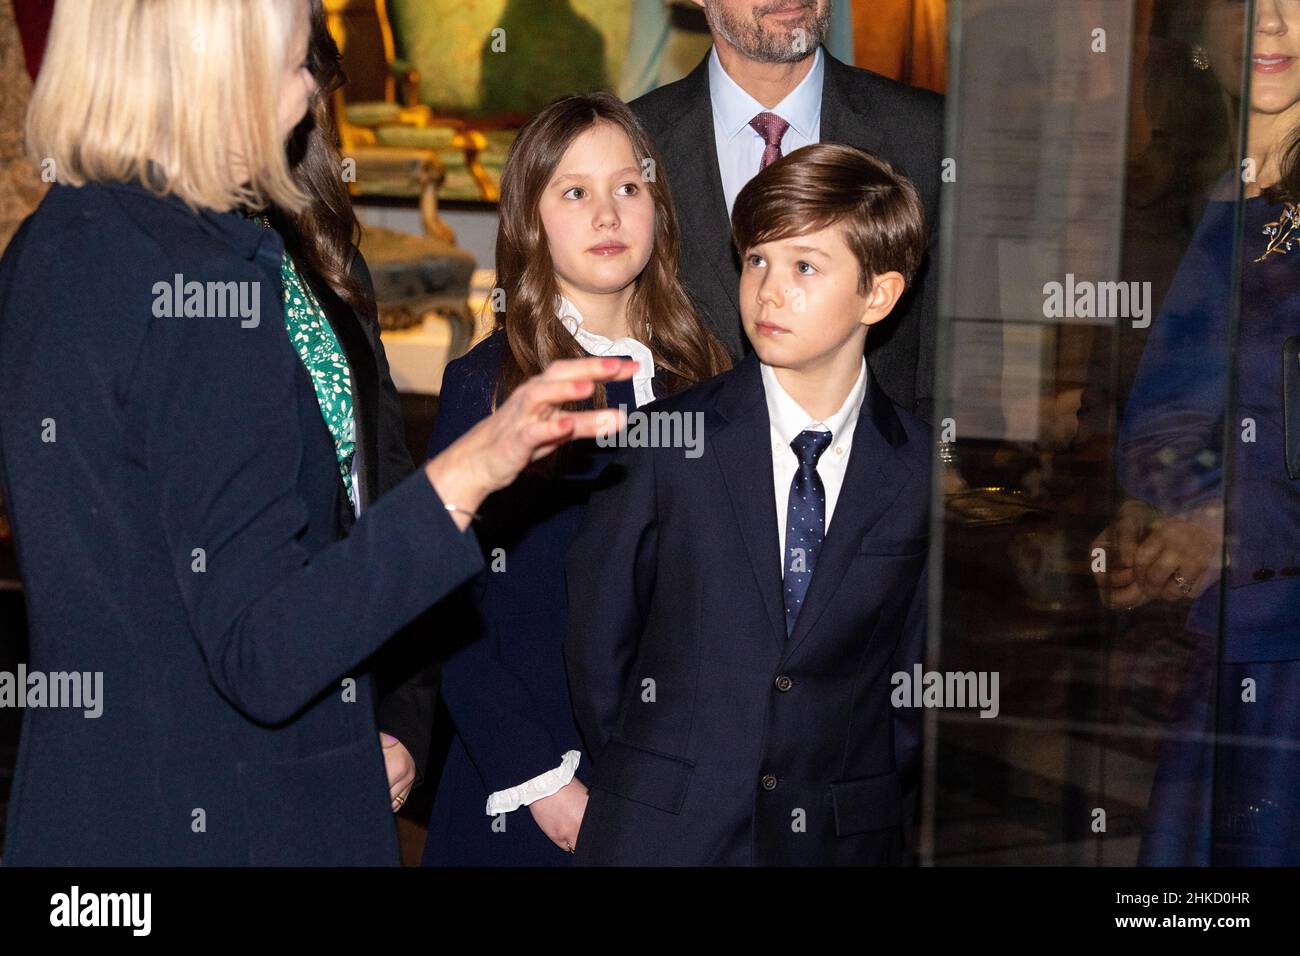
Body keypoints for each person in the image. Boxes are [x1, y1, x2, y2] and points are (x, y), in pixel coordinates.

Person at [0, 0, 633, 866]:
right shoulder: (208, 292)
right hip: (241, 820)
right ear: (221, 65)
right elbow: (263, 648)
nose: (310, 97)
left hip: (91, 816)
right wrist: (471, 473)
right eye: (299, 63)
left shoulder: (53, 244)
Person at [564, 142, 931, 865]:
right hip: (665, 830)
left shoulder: (919, 469)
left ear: (879, 295)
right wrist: (650, 775)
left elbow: (913, 682)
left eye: (804, 266)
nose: (768, 289)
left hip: (837, 838)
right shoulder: (669, 442)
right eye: (756, 259)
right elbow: (597, 635)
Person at [420, 93, 730, 866]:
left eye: (628, 187)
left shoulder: (709, 374)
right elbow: (441, 606)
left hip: (676, 781)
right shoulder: (489, 385)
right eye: (574, 191)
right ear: (531, 219)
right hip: (533, 781)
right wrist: (541, 783)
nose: (607, 214)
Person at [1094, 0, 1300, 868]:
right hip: (1219, 648)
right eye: (1252, 0)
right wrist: (1151, 518)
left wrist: (1228, 526)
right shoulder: (1214, 190)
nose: (1274, 26)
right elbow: (1177, 406)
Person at [628, 0, 943, 422]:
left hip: (881, 476)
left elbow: (960, 354)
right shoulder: (632, 144)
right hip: (681, 471)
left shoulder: (928, 133)